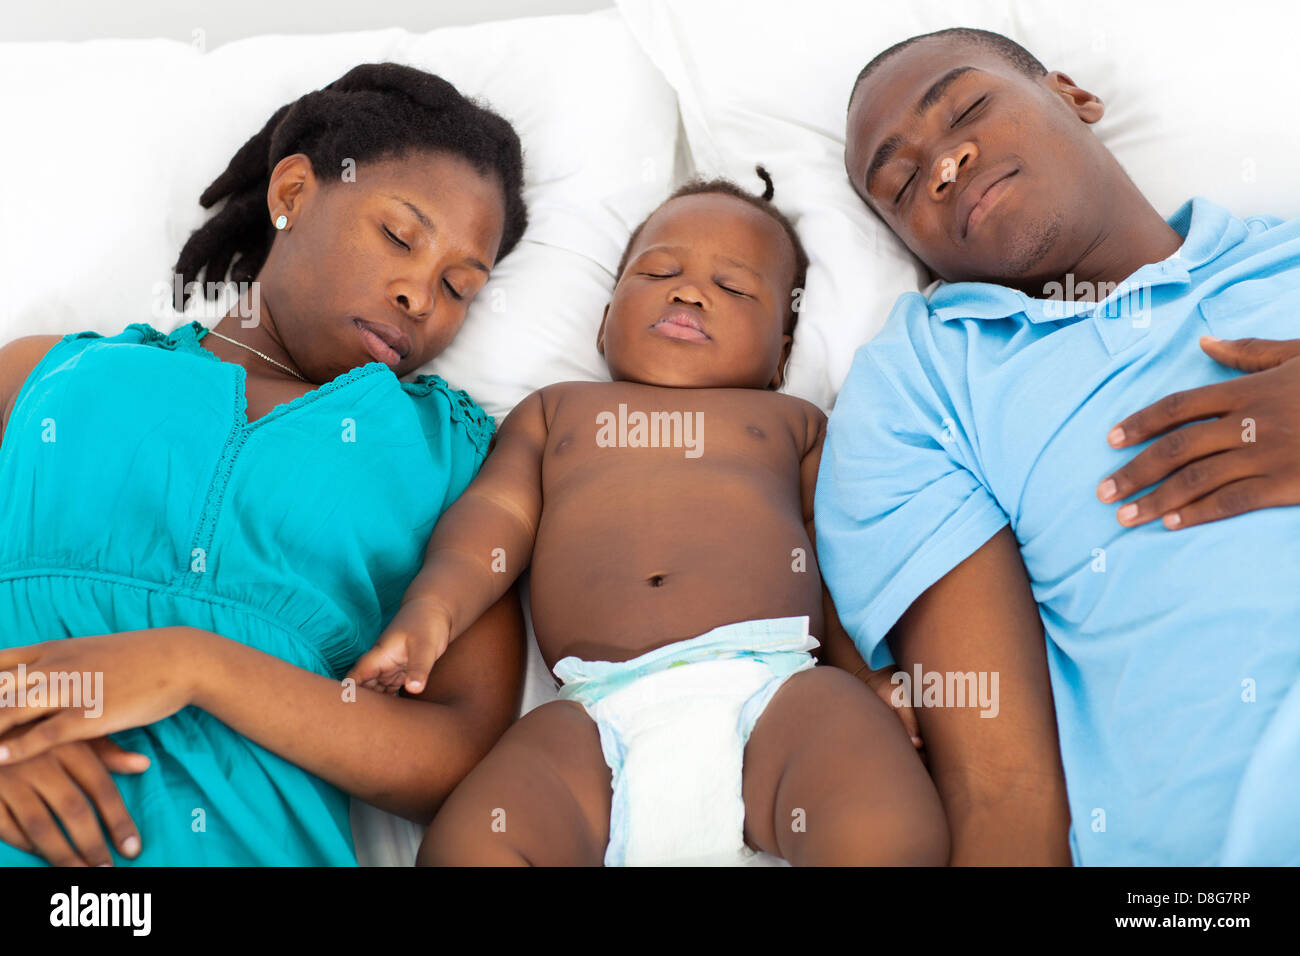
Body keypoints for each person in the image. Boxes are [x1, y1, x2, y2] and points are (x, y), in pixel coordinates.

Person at [0, 62, 528, 866]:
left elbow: (455, 755)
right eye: (399, 237)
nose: (421, 296)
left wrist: (194, 664)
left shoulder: (454, 456)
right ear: (292, 195)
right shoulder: (42, 377)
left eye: (460, 287)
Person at [348, 172, 945, 866]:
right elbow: (492, 524)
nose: (688, 291)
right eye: (658, 270)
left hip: (774, 691)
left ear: (781, 354)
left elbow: (833, 561)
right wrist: (430, 616)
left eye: (735, 288)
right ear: (604, 323)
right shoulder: (558, 411)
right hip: (595, 721)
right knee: (469, 843)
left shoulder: (793, 425)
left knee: (881, 815)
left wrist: (869, 679)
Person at [820, 26, 1300, 865]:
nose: (942, 165)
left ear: (1073, 97)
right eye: (900, 185)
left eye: (967, 107)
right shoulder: (925, 382)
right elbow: (1005, 800)